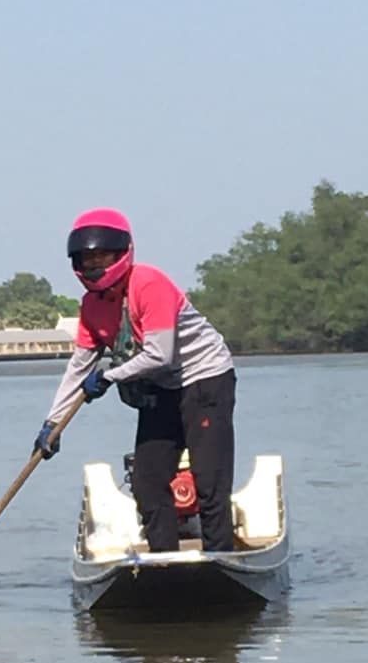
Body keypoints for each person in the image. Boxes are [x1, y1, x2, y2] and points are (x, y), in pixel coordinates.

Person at [33, 207, 237, 553]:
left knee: (208, 480)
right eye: (87, 259)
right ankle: (164, 560)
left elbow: (160, 353)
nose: (94, 265)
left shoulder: (149, 283)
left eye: (103, 256)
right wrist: (53, 424)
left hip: (205, 378)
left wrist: (109, 376)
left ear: (122, 252)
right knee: (147, 481)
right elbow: (78, 368)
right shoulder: (91, 306)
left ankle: (220, 556)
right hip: (161, 388)